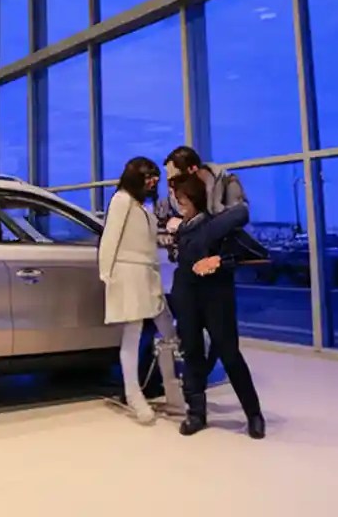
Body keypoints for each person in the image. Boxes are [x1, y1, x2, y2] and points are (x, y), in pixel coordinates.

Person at [170, 173, 266, 439]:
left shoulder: (216, 225)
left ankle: (254, 414)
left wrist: (219, 262)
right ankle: (196, 413)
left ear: (197, 199)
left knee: (229, 353)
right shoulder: (180, 228)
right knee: (191, 352)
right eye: (177, 200)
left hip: (216, 295)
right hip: (187, 295)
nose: (180, 206)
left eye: (183, 200)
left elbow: (245, 253)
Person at [99, 157, 183, 425]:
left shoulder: (140, 205)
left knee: (167, 328)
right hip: (129, 274)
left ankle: (173, 390)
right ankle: (134, 395)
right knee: (133, 333)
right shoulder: (122, 200)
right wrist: (108, 275)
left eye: (154, 178)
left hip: (148, 274)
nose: (152, 182)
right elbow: (110, 238)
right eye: (149, 177)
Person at [161, 146, 249, 376]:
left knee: (227, 349)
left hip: (217, 272)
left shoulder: (226, 182)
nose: (171, 186)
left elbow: (241, 214)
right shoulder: (179, 194)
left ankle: (251, 411)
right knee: (191, 346)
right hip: (189, 276)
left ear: (192, 169)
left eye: (175, 178)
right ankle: (196, 402)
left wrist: (199, 230)